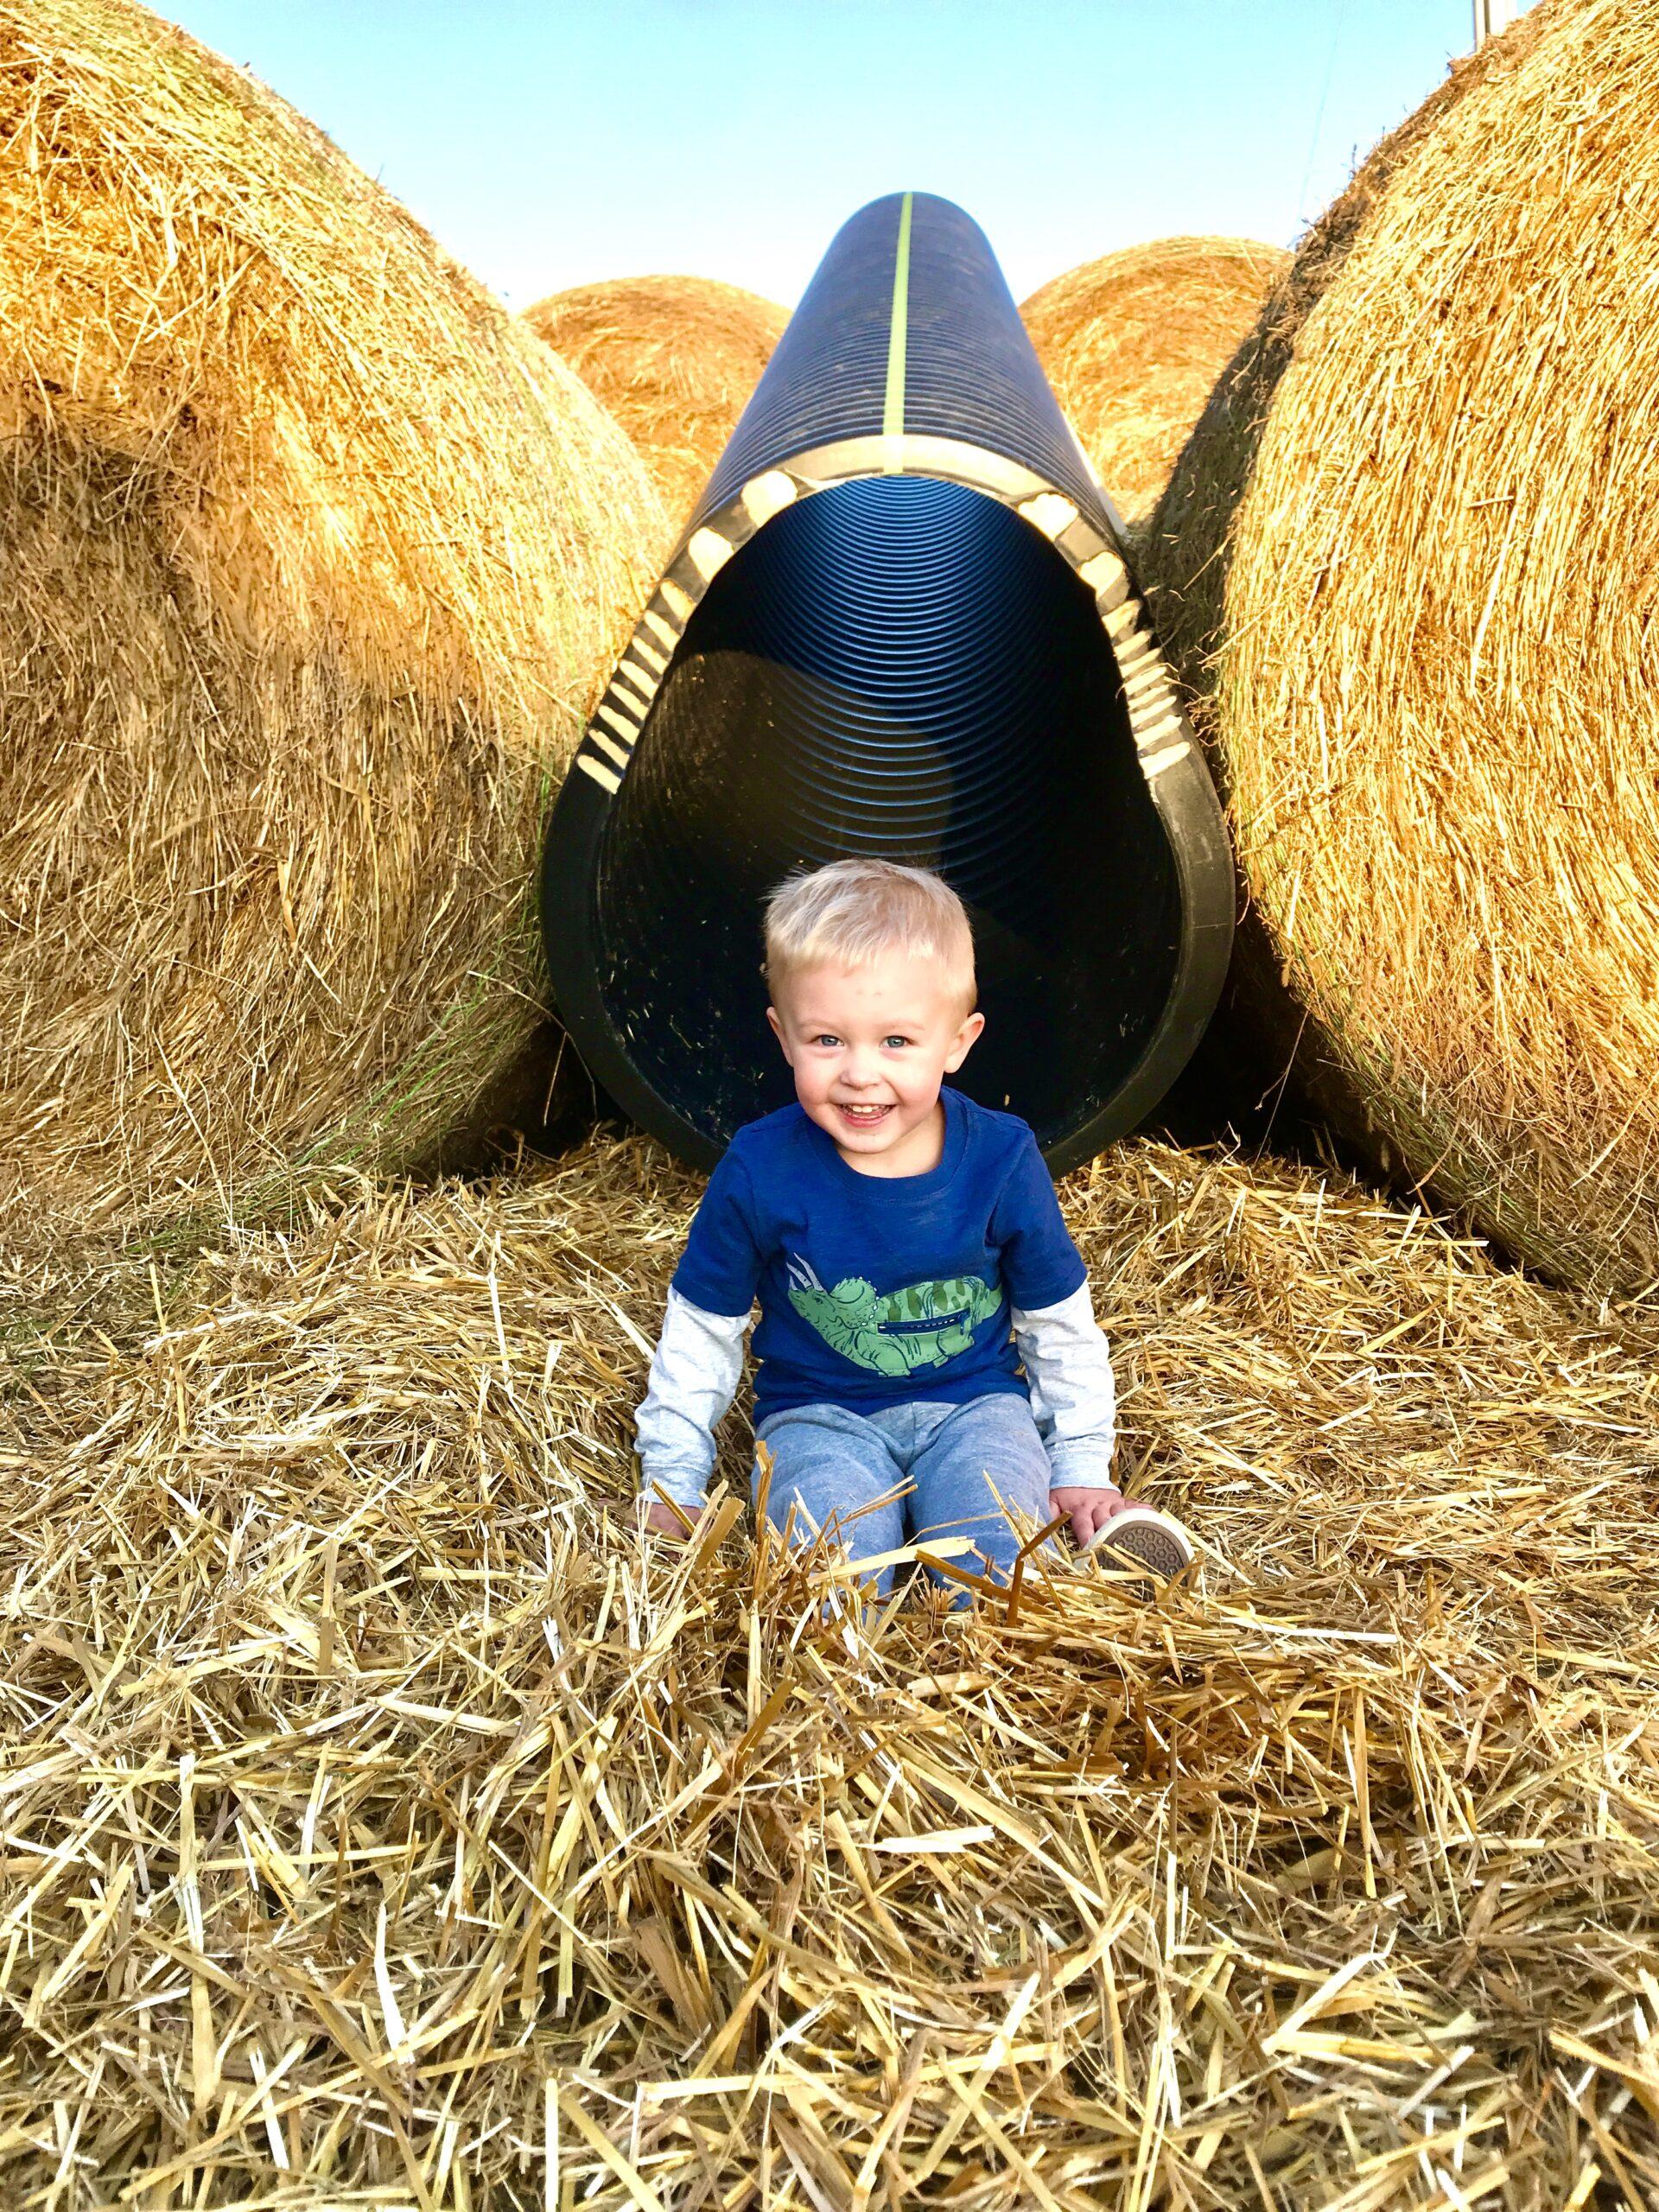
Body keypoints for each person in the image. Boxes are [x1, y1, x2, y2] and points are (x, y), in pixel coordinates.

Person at [633, 856, 1193, 1597]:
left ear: (959, 1041)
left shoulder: (1001, 1157)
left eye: (896, 1042)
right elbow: (702, 1331)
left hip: (976, 1409)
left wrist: (1081, 1467)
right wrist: (674, 1482)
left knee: (994, 1543)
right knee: (827, 1557)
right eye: (827, 1040)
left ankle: (1079, 1564)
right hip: (818, 1417)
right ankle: (848, 1669)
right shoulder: (760, 1168)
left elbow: (1058, 1326)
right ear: (782, 1035)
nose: (861, 1073)